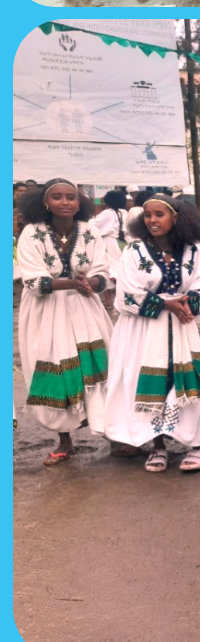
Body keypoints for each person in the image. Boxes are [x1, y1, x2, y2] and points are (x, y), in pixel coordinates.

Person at [101, 192, 200, 473]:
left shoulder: (194, 250)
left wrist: (188, 303)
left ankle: (196, 446)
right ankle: (157, 446)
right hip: (143, 330)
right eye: (147, 215)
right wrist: (168, 304)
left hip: (181, 327)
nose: (151, 220)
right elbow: (126, 295)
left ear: (176, 218)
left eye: (158, 214)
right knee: (148, 384)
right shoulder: (133, 251)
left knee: (187, 383)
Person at [14, 179, 115, 464]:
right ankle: (64, 440)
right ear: (45, 202)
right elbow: (33, 280)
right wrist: (73, 282)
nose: (65, 202)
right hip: (47, 311)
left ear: (80, 202)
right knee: (56, 365)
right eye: (57, 197)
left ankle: (112, 433)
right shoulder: (31, 233)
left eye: (71, 197)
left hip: (85, 308)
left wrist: (92, 281)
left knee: (99, 368)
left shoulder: (90, 231)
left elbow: (102, 271)